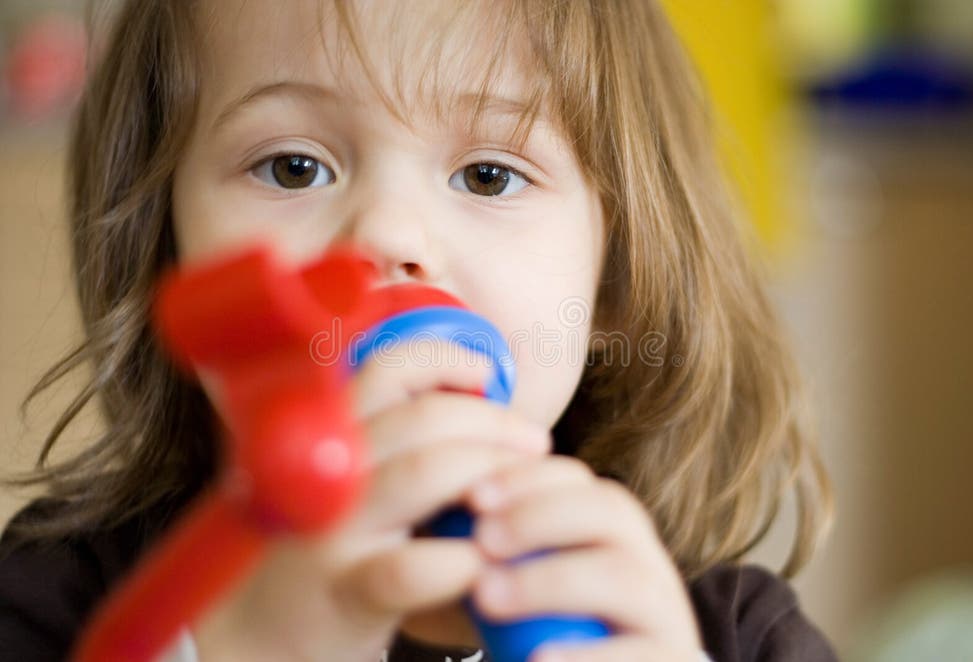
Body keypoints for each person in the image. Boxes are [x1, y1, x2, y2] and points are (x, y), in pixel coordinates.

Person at [0, 1, 837, 660]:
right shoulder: (59, 596)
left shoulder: (730, 636)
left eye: (488, 174)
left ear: (617, 278)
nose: (389, 235)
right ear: (165, 249)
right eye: (294, 166)